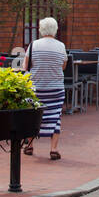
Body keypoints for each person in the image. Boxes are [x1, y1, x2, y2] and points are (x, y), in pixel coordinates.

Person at [23, 17, 68, 160]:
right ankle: (53, 149)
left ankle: (29, 145)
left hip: (36, 88)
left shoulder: (33, 45)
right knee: (55, 116)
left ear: (41, 29)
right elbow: (63, 66)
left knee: (32, 115)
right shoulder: (61, 46)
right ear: (55, 30)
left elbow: (25, 66)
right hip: (55, 89)